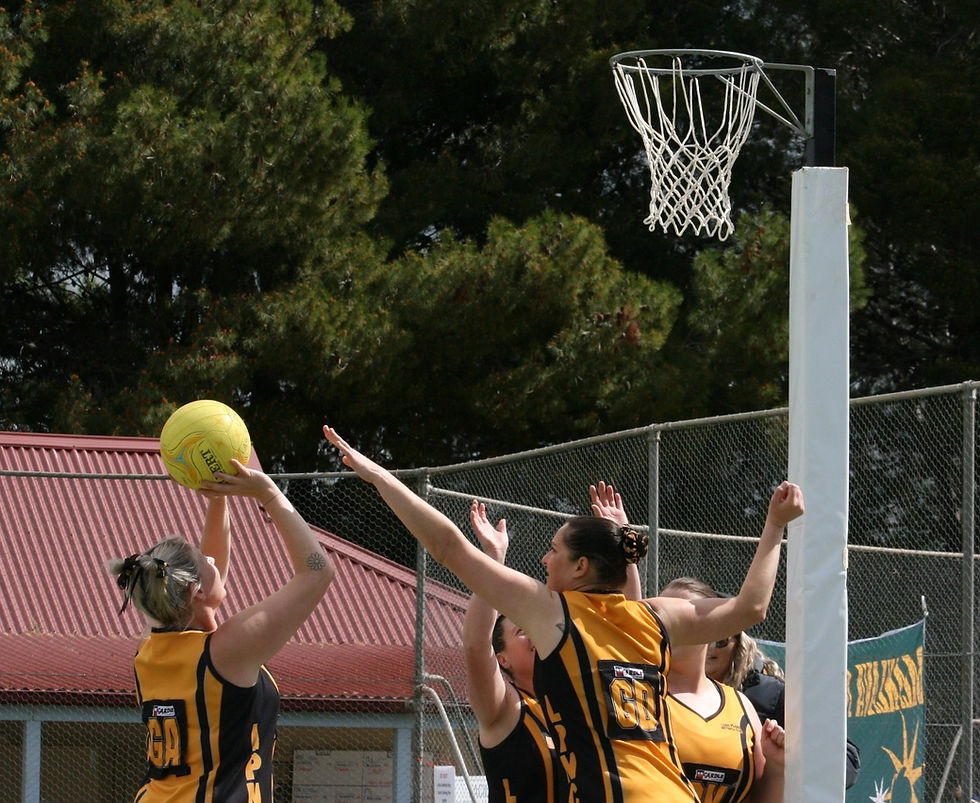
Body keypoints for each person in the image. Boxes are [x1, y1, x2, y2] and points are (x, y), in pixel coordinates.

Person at [323, 424, 804, 802]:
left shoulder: (555, 613)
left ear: (580, 567)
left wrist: (380, 477)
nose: (544, 558)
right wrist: (774, 524)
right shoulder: (656, 616)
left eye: (553, 550)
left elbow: (449, 546)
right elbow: (752, 607)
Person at [108, 460, 335, 802]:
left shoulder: (150, 650)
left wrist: (218, 500)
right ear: (195, 591)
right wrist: (269, 493)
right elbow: (318, 572)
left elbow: (205, 589)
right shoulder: (225, 653)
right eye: (205, 562)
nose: (213, 560)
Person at [464, 500, 559, 802]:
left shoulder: (570, 700)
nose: (533, 632)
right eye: (521, 631)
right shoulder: (506, 707)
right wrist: (494, 559)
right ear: (502, 659)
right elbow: (476, 646)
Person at [661, 577, 786, 803]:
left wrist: (775, 766)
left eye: (678, 615)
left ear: (711, 628)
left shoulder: (740, 706)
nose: (663, 625)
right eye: (658, 614)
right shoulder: (638, 692)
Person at [706, 628, 861, 790]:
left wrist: (793, 755)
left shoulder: (772, 695)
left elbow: (846, 763)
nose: (707, 646)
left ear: (739, 642)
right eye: (697, 636)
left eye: (720, 640)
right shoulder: (685, 696)